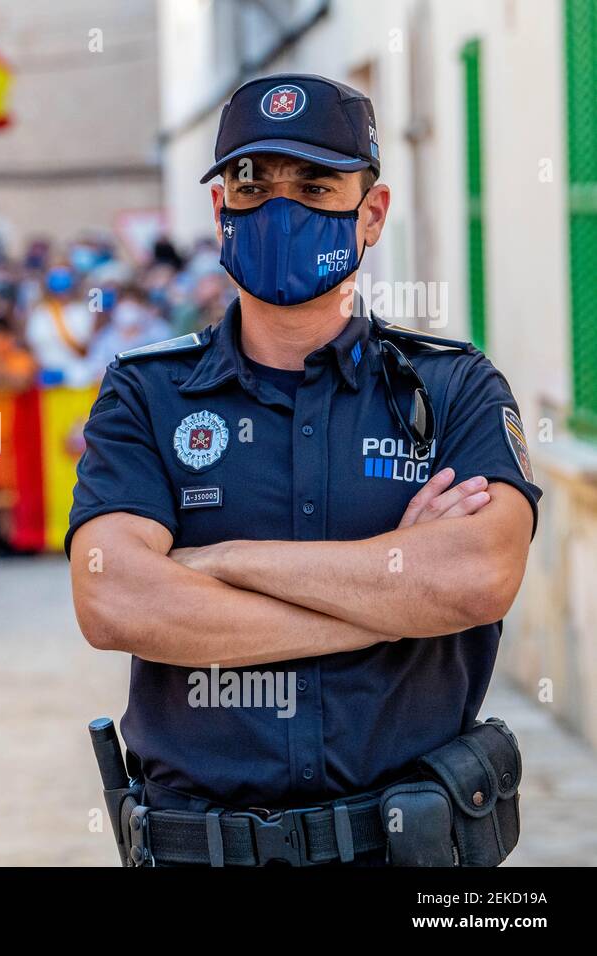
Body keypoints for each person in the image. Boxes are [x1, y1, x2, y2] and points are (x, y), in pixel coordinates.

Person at [68, 74, 539, 867]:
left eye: (316, 184)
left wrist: (224, 563)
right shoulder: (146, 392)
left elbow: (477, 578)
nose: (279, 208)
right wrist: (393, 599)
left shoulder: (452, 386)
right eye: (251, 185)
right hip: (200, 851)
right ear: (221, 212)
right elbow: (114, 596)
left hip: (407, 848)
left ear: (373, 212)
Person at [25, 263, 96, 386]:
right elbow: (32, 342)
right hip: (46, 373)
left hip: (78, 374)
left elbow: (86, 343)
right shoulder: (40, 312)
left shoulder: (82, 311)